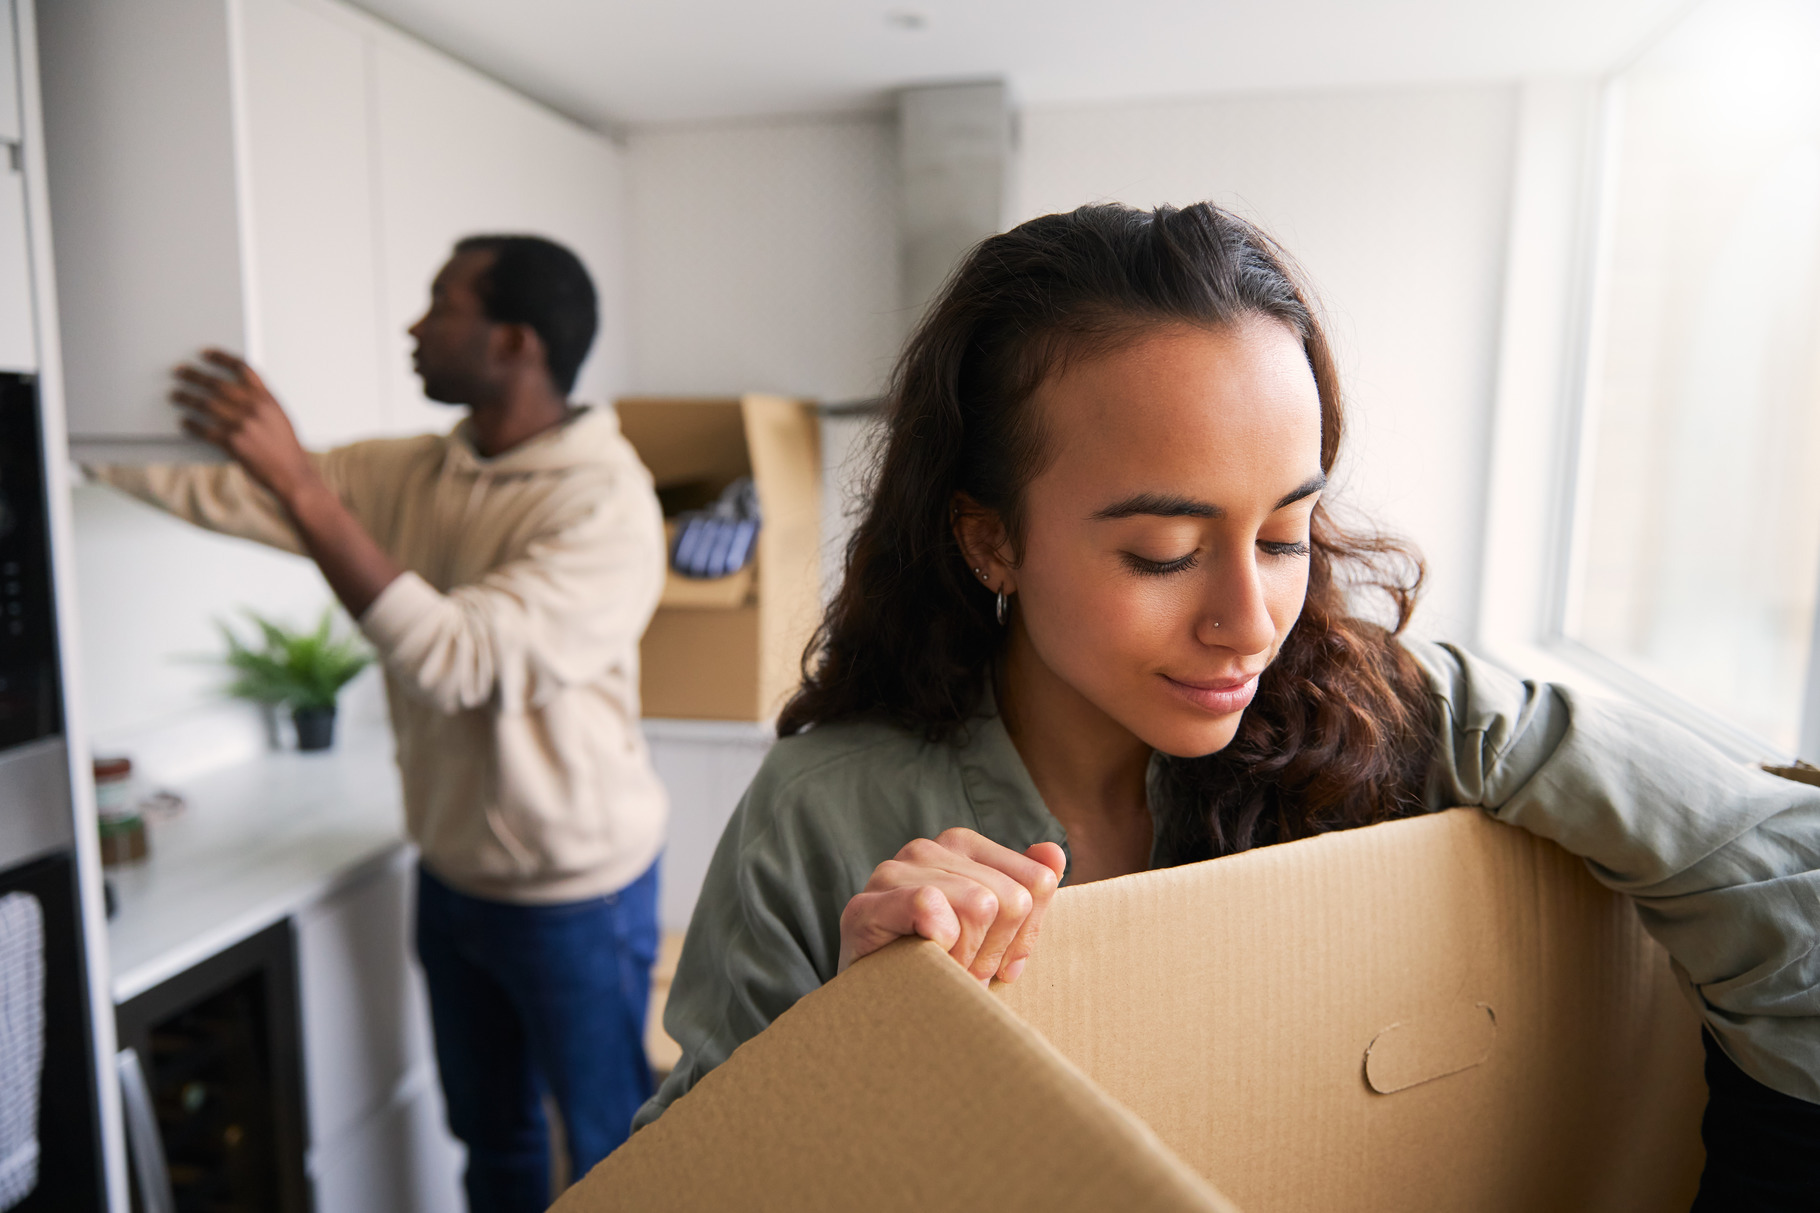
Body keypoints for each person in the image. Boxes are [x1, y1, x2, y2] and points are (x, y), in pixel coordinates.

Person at [634, 204, 1820, 1208]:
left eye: (1284, 532)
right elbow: (680, 1179)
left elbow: (1790, 887)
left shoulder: (1413, 721)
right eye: (1160, 551)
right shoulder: (820, 812)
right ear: (990, 537)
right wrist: (851, 1047)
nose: (1250, 620)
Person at [92, 235, 668, 1213]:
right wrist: (73, 429)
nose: (413, 325)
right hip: (450, 878)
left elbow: (459, 660)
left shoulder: (605, 505)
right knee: (490, 1139)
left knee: (614, 1146)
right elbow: (232, 486)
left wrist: (306, 487)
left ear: (514, 341)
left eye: (439, 303)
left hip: (576, 896)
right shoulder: (413, 471)